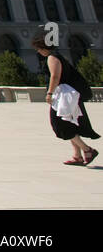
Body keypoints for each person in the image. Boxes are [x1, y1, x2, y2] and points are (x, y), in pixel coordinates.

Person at [32, 32, 99, 166]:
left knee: (59, 125)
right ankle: (77, 156)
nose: (38, 51)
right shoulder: (58, 56)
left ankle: (87, 150)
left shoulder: (52, 58)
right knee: (69, 124)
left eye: (39, 48)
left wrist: (49, 93)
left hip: (63, 97)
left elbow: (55, 76)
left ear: (44, 47)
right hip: (68, 96)